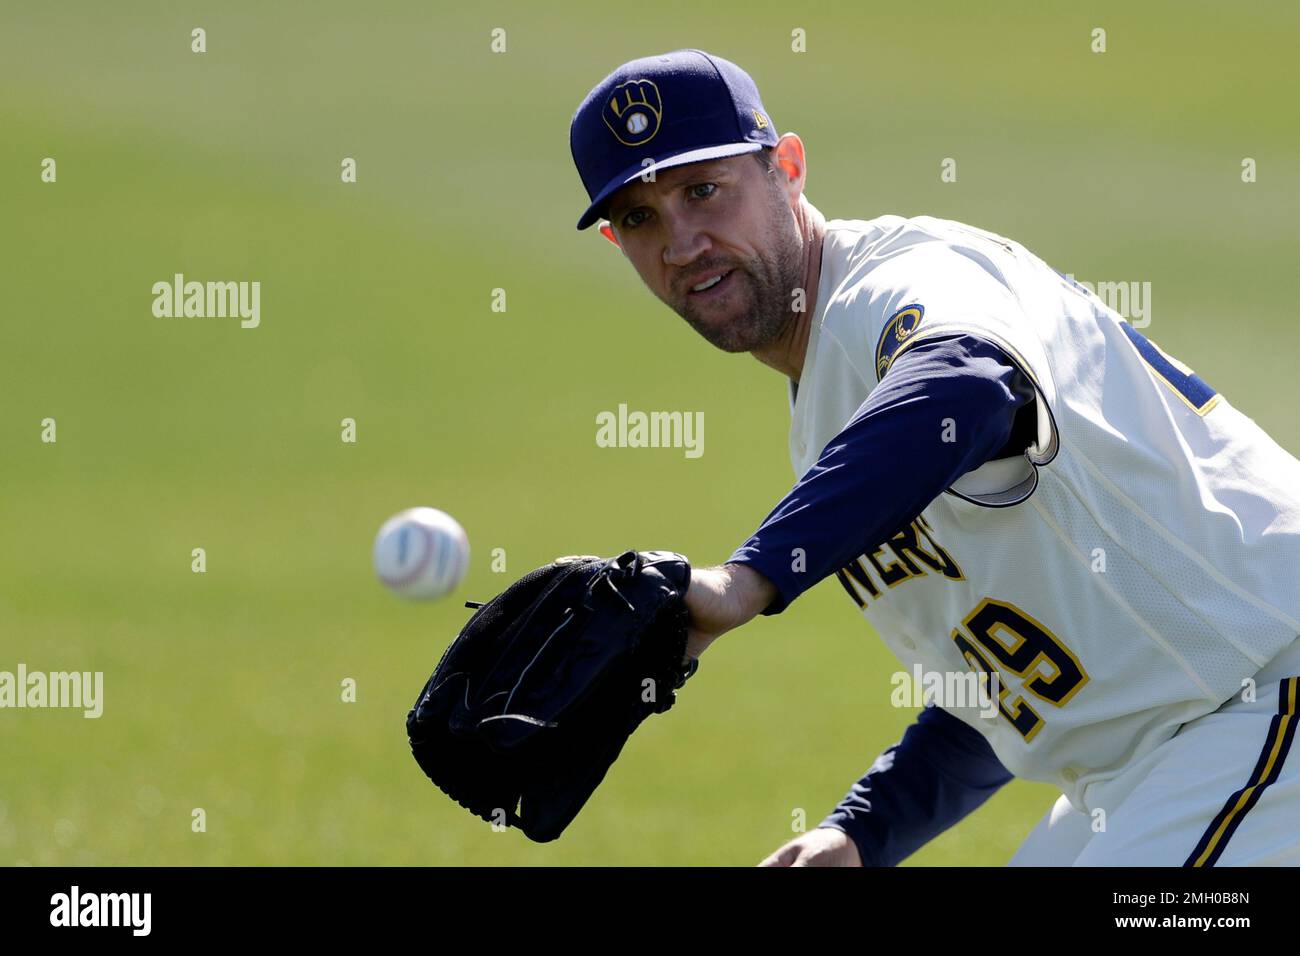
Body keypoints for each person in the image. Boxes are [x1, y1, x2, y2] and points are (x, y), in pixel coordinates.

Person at [568, 49, 1300, 866]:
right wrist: (859, 833)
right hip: (1172, 755)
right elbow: (1014, 686)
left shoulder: (901, 285)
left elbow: (975, 381)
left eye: (703, 190)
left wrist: (747, 580)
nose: (683, 242)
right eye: (639, 218)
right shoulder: (826, 407)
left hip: (1262, 694)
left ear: (787, 169)